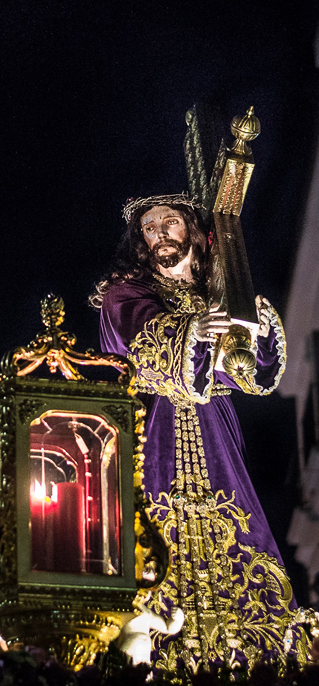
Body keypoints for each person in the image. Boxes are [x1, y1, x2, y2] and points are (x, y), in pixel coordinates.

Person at [90, 193, 304, 670]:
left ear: (194, 231)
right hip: (152, 433)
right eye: (149, 228)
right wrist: (194, 334)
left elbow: (250, 373)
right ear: (140, 242)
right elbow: (141, 345)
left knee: (241, 548)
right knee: (148, 548)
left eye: (170, 222)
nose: (161, 233)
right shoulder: (124, 293)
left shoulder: (216, 296)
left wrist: (252, 323)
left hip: (216, 440)